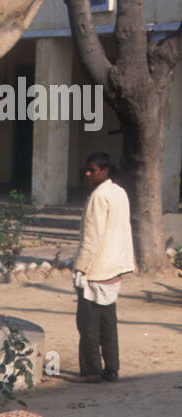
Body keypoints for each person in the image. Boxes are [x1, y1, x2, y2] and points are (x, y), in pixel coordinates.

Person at [72, 153, 134, 383]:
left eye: (93, 170)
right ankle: (112, 368)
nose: (88, 174)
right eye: (87, 170)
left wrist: (81, 267)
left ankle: (91, 372)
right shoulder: (119, 193)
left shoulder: (99, 196)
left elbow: (92, 238)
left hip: (96, 270)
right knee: (108, 323)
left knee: (88, 325)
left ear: (105, 170)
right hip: (114, 268)